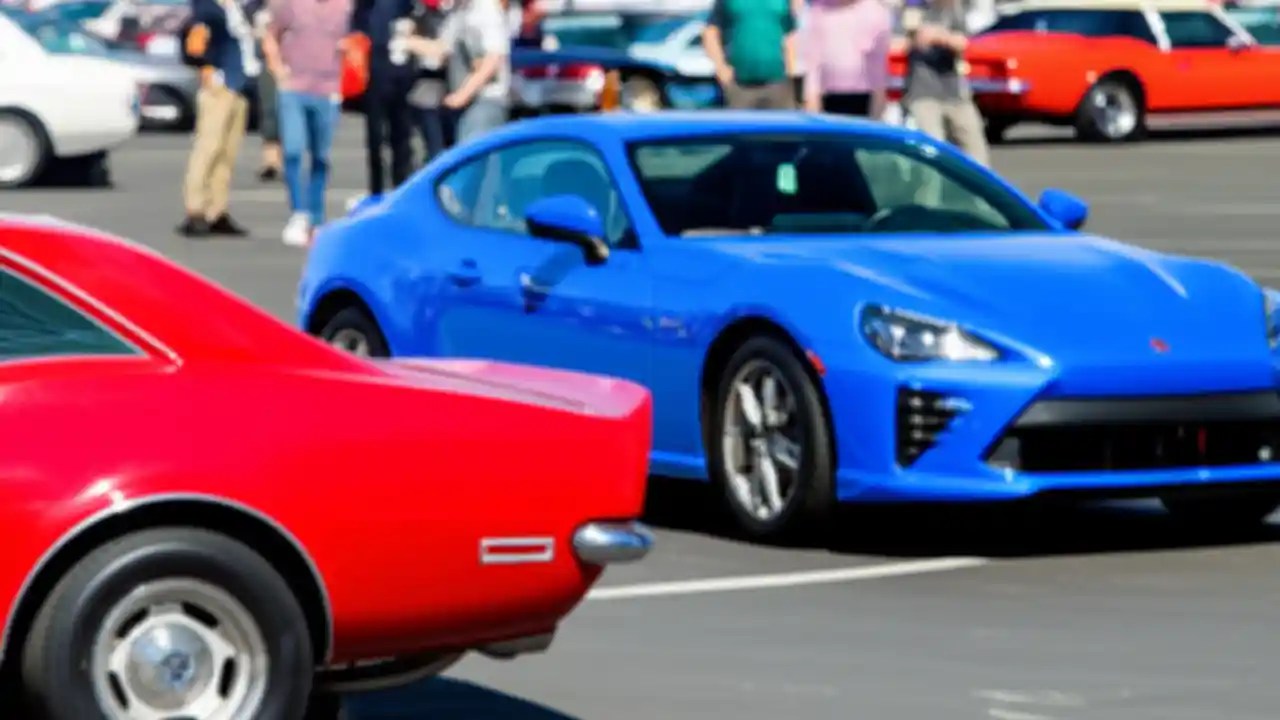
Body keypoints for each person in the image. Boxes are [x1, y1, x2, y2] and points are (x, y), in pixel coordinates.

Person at [262, 0, 356, 246]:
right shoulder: (292, 5)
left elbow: (358, 39)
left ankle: (316, 217)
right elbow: (271, 36)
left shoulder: (345, 7)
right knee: (293, 150)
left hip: (328, 90)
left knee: (321, 157)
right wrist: (279, 72)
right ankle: (299, 213)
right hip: (294, 89)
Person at [178, 0, 260, 237]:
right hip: (220, 85)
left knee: (228, 152)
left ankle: (217, 210)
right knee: (208, 148)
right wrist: (206, 69)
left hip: (239, 85)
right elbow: (195, 43)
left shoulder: (234, 9)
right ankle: (195, 209)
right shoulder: (207, 8)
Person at [900, 0, 990, 165]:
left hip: (956, 93)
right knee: (931, 154)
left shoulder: (956, 10)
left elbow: (962, 42)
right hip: (923, 93)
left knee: (976, 152)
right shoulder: (915, 7)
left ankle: (975, 190)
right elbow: (915, 39)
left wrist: (938, 35)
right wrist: (943, 37)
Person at [407, 0, 510, 144]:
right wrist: (406, 41)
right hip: (465, 106)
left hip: (486, 101)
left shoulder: (486, 8)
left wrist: (462, 95)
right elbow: (442, 49)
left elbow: (493, 59)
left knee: (475, 159)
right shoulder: (458, 11)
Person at [349, 0, 418, 208]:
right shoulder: (366, 6)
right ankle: (376, 192)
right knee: (375, 139)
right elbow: (356, 26)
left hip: (403, 71)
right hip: (374, 70)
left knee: (401, 138)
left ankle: (401, 190)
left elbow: (416, 15)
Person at [802, 0, 893, 119]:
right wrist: (811, 101)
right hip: (827, 97)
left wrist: (877, 112)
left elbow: (879, 70)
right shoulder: (818, 10)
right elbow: (812, 63)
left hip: (864, 98)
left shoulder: (875, 12)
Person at [702, 0, 798, 110]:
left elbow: (790, 33)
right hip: (740, 87)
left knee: (783, 127)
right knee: (740, 127)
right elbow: (710, 31)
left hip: (778, 85)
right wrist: (721, 69)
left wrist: (791, 75)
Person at [406, 0, 454, 163]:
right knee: (435, 149)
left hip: (453, 85)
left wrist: (411, 42)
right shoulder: (418, 12)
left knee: (449, 147)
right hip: (427, 87)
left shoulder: (458, 12)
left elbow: (443, 49)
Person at [247, 0, 283, 181]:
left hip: (290, 64)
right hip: (266, 65)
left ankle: (286, 159)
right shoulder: (255, 8)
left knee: (288, 113)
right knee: (270, 112)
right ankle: (271, 161)